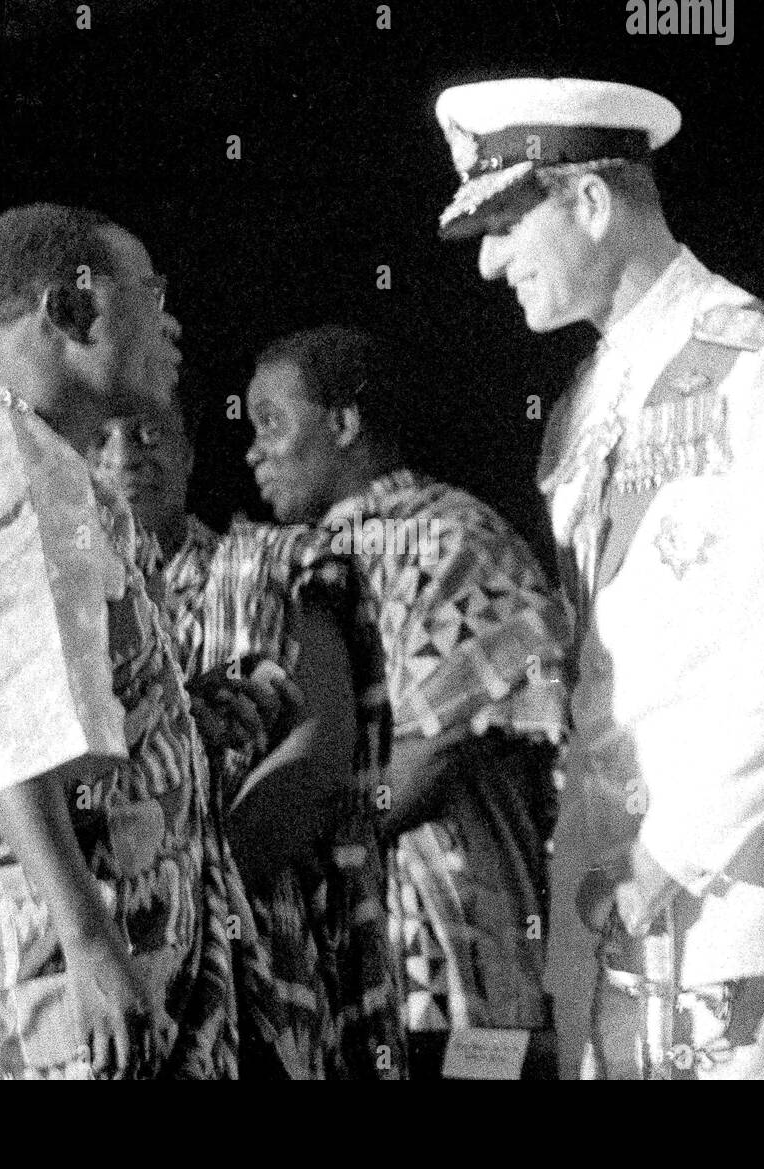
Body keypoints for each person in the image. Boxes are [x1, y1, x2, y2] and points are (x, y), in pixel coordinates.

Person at [433, 77, 764, 1079]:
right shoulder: (587, 403)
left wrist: (666, 860)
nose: (486, 263)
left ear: (590, 203)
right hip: (613, 887)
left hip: (744, 894)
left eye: (505, 225)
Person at [0, 203, 277, 1079]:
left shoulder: (33, 470)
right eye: (151, 294)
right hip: (47, 1002)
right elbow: (10, 738)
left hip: (49, 994)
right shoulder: (3, 478)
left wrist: (177, 722)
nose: (172, 323)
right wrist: (89, 941)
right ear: (71, 313)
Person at [244, 325, 568, 1077]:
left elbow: (436, 748)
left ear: (344, 423)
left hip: (450, 961)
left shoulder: (456, 538)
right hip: (338, 960)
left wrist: (302, 845)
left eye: (271, 423)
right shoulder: (287, 565)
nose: (253, 450)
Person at [86, 386, 405, 1079]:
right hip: (106, 952)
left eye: (148, 434)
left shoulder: (273, 559)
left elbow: (316, 756)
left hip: (259, 937)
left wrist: (197, 898)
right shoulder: (62, 600)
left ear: (192, 448)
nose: (124, 457)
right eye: (101, 439)